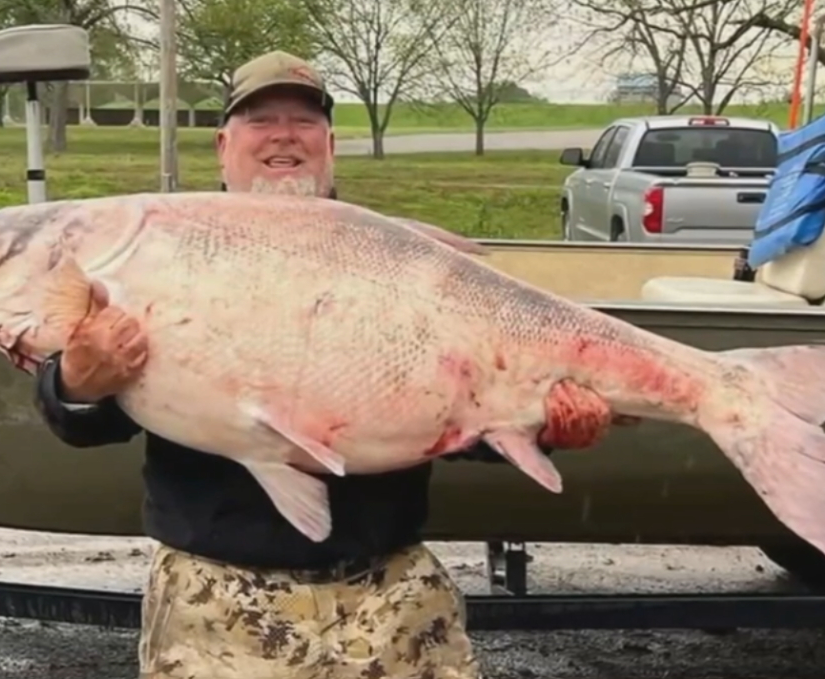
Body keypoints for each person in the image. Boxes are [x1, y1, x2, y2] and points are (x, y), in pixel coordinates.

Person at [32, 50, 617, 679]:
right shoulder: (159, 252)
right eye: (261, 120)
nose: (284, 134)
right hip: (217, 601)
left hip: (390, 597)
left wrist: (546, 426)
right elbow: (83, 420)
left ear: (330, 144)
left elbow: (467, 419)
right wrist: (75, 382)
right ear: (224, 145)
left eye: (304, 121)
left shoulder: (399, 264)